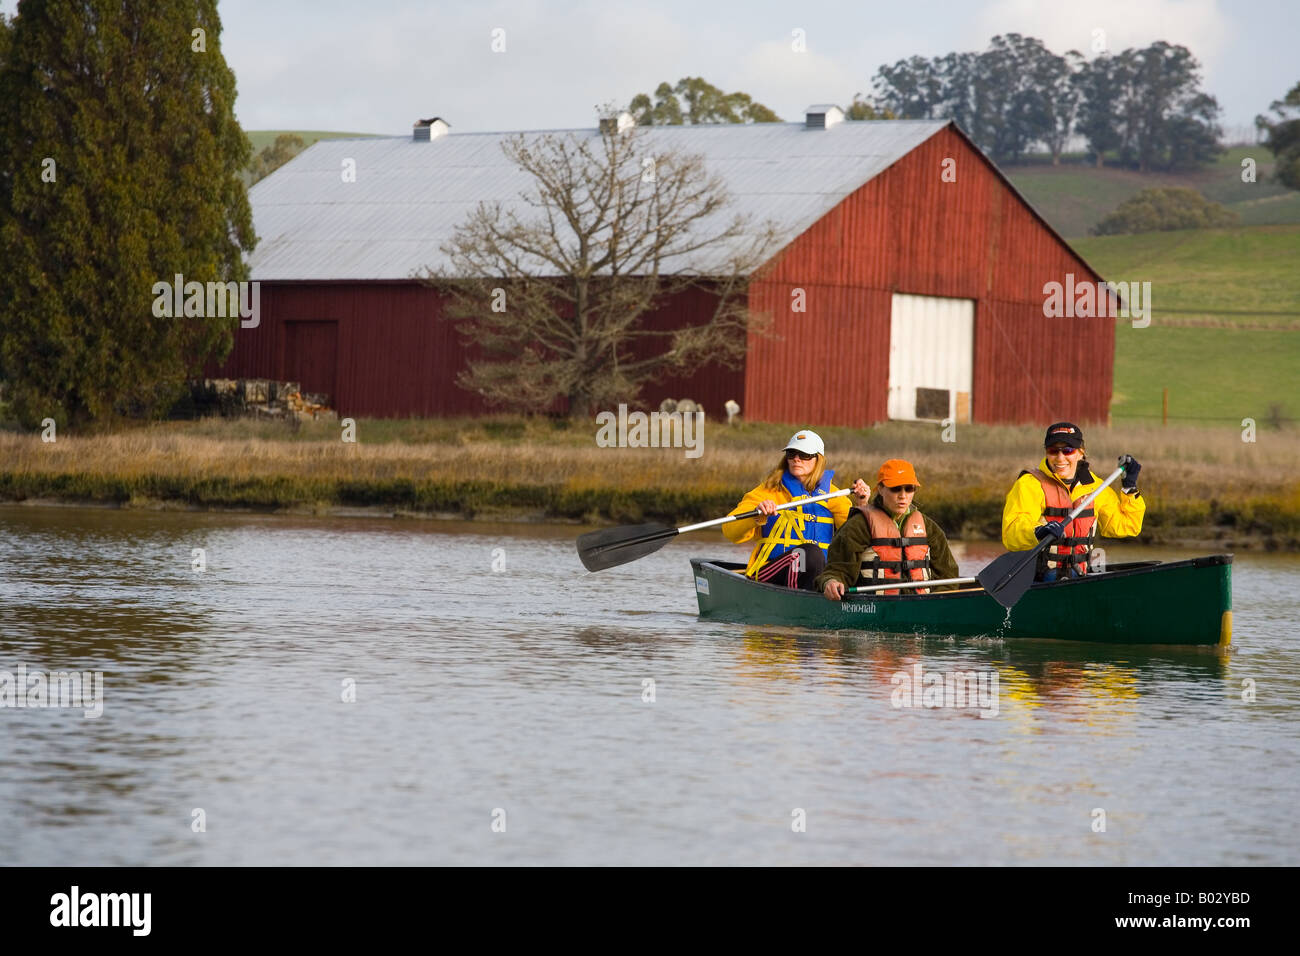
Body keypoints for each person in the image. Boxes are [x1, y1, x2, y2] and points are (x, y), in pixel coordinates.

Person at [723, 430, 869, 590]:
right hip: (769, 573)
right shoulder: (767, 492)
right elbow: (730, 530)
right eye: (791, 454)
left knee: (863, 560)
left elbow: (856, 537)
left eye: (804, 454)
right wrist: (756, 515)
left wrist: (862, 504)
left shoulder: (834, 496)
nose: (796, 459)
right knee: (807, 555)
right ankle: (802, 604)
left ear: (818, 459)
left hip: (819, 574)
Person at [1001, 422, 1145, 581]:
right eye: (1053, 450)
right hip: (1040, 579)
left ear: (1080, 453)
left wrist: (1129, 488)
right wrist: (1038, 531)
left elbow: (1128, 526)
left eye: (1068, 450)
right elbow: (1011, 531)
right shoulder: (1029, 484)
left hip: (1080, 576)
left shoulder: (1094, 487)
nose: (1060, 457)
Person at [816, 459, 959, 599]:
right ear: (880, 489)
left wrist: (937, 601)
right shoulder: (859, 525)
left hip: (923, 605)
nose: (903, 495)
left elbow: (948, 576)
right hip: (872, 606)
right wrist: (831, 582)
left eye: (909, 489)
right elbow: (837, 570)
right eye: (895, 488)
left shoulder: (929, 527)